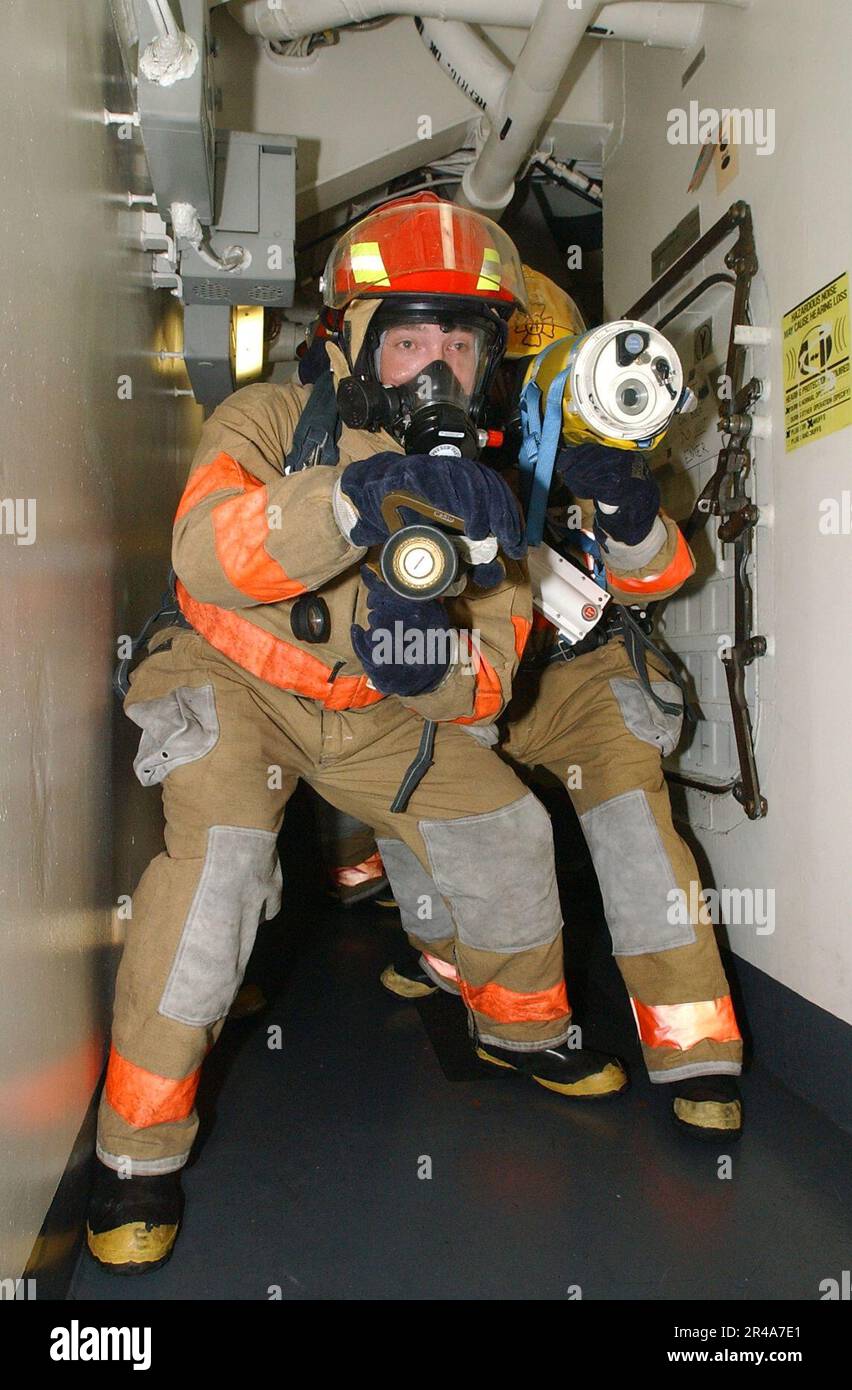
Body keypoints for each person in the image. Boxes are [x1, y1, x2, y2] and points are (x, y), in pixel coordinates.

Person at [87, 196, 628, 1276]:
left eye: (460, 344)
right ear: (357, 338)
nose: (435, 367)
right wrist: (352, 498)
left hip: (369, 711)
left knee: (507, 824)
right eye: (411, 337)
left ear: (487, 366)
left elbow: (487, 683)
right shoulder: (270, 420)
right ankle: (134, 1156)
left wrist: (429, 668)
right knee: (222, 871)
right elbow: (203, 550)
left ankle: (519, 1029)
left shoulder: (491, 499)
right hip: (232, 676)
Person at [378, 269, 744, 1142]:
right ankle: (447, 966)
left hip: (579, 676)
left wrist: (622, 501)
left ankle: (697, 1054)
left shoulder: (591, 432)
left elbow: (660, 575)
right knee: (420, 816)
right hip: (468, 673)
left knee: (641, 842)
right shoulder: (405, 435)